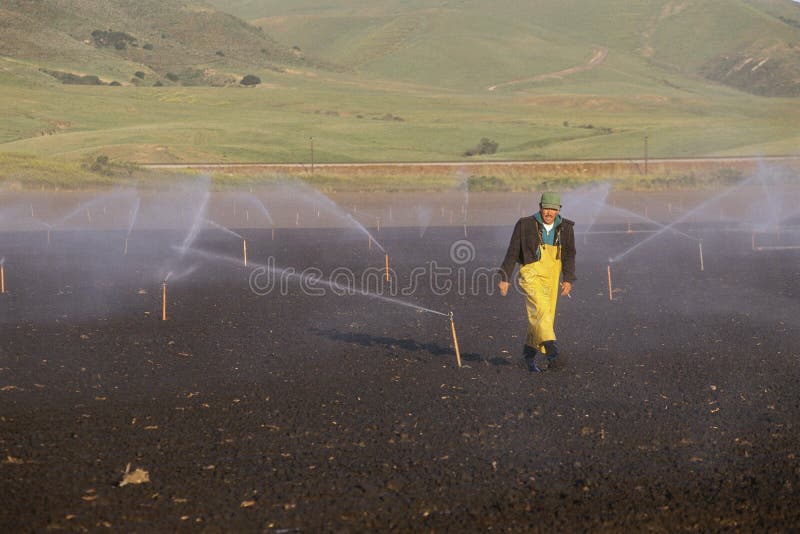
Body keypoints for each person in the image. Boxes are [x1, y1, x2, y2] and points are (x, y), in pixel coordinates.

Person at [498, 192, 576, 372]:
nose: (549, 212)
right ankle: (553, 352)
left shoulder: (566, 228)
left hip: (552, 276)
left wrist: (568, 279)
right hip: (530, 274)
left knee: (542, 318)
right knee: (540, 310)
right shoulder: (525, 225)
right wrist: (505, 277)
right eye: (546, 208)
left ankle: (528, 357)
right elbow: (512, 251)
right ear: (540, 207)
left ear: (558, 210)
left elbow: (570, 254)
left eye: (553, 209)